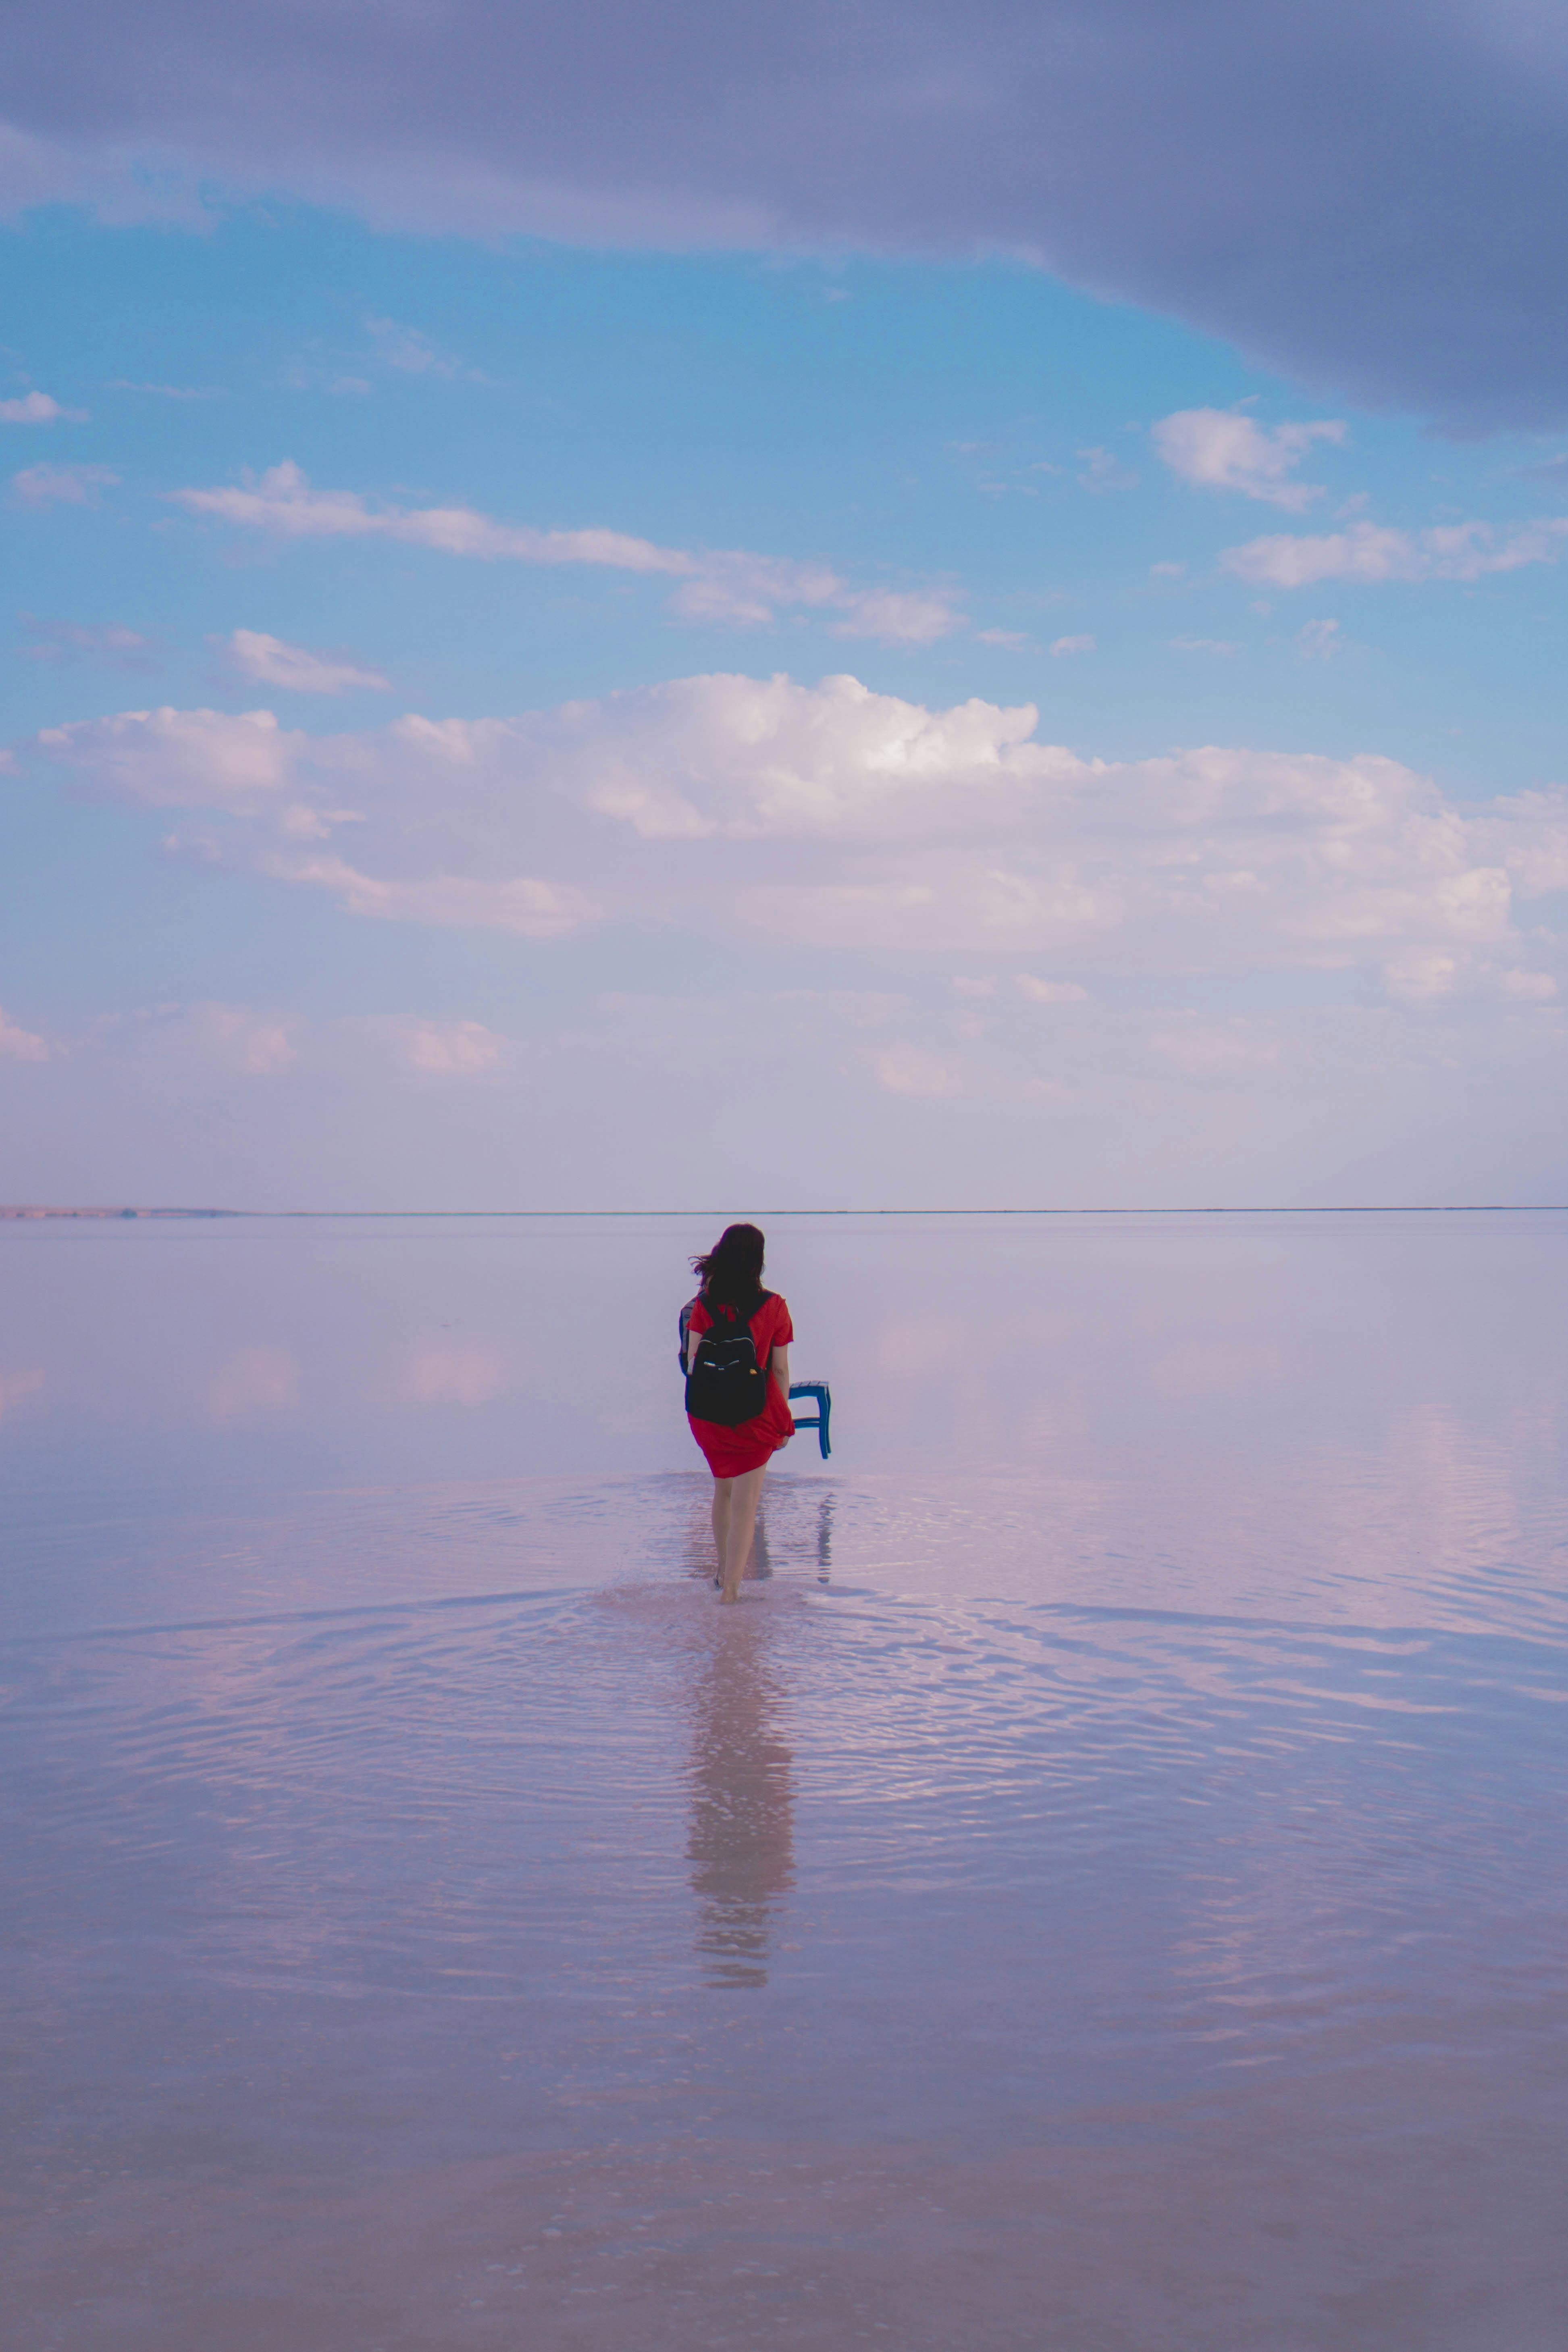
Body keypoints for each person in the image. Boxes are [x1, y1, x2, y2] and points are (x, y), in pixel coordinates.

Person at [683, 1223, 794, 1603]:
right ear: (758, 1260)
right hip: (755, 1415)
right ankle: (731, 1589)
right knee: (746, 1504)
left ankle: (721, 1572)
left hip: (710, 1415)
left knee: (723, 1492)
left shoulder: (705, 1304)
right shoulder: (775, 1306)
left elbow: (693, 1361)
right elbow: (779, 1370)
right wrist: (783, 1419)